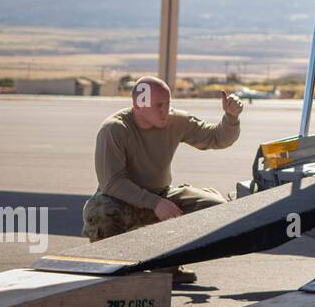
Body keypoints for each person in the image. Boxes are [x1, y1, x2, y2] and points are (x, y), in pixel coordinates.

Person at [81, 75, 243, 285]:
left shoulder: (176, 121)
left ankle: (168, 266)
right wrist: (155, 203)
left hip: (162, 193)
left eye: (167, 103)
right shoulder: (114, 129)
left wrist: (231, 117)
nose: (165, 110)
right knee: (101, 211)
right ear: (138, 105)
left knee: (217, 208)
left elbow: (216, 138)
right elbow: (112, 183)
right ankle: (111, 268)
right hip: (122, 200)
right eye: (158, 105)